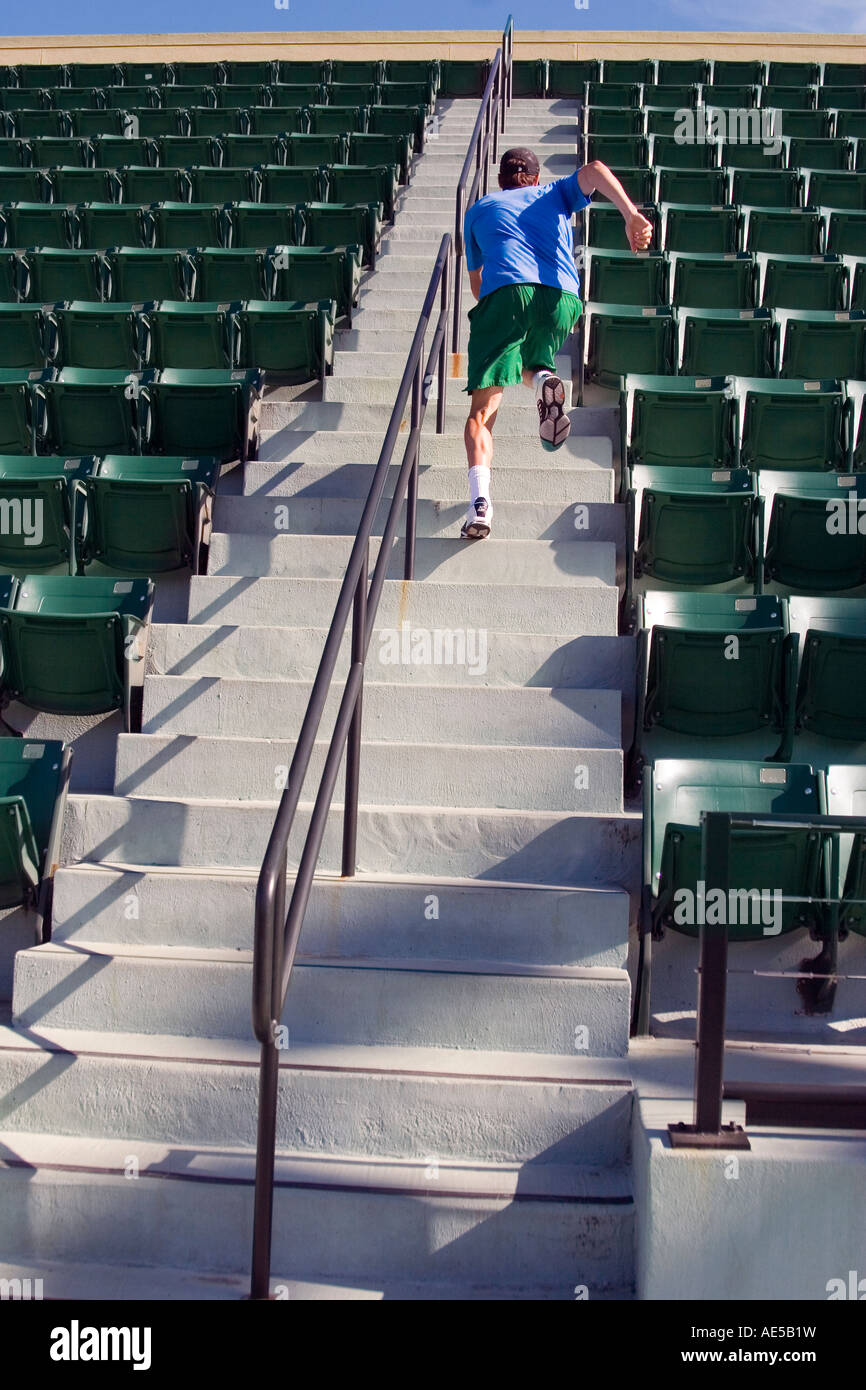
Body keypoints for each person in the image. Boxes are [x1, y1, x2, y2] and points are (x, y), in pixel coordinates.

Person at [460, 147, 653, 538]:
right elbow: (596, 168)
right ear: (533, 178)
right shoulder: (554, 193)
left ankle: (480, 505)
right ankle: (544, 379)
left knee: (483, 410)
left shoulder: (479, 209)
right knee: (534, 363)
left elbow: (478, 284)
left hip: (506, 295)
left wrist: (503, 319)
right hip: (562, 298)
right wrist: (631, 215)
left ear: (501, 180)